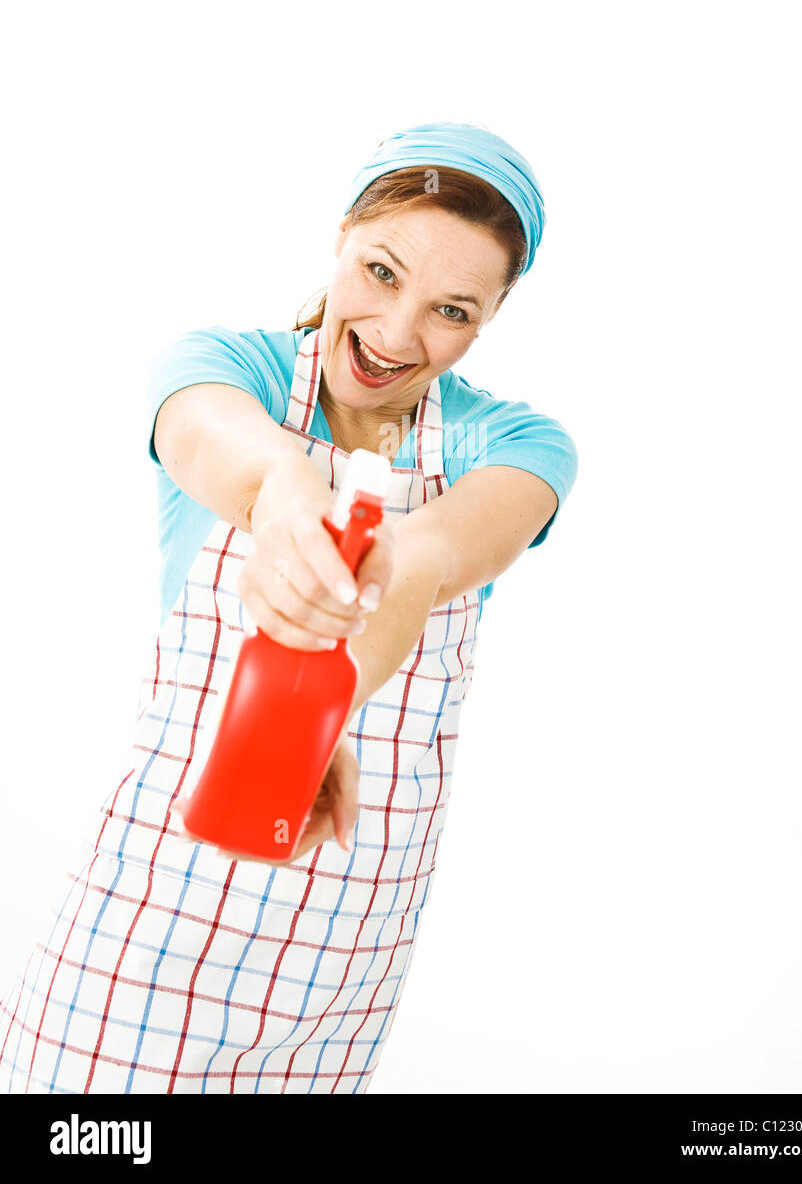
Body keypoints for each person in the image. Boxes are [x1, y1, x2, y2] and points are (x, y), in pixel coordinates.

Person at [0, 121, 578, 1094]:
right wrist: (286, 504)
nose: (397, 335)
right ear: (343, 234)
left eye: (449, 309)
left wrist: (321, 702)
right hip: (142, 949)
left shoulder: (519, 446)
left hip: (343, 965)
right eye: (381, 272)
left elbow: (428, 561)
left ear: (493, 313)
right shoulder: (229, 368)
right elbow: (237, 454)